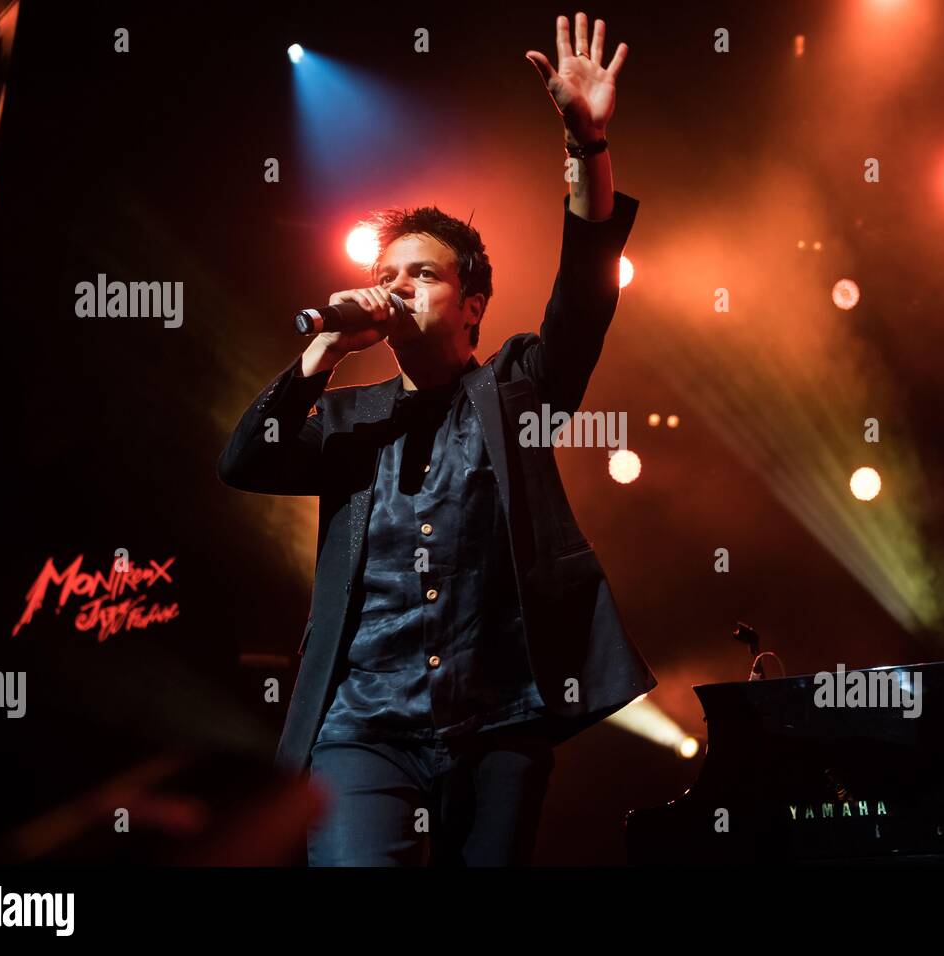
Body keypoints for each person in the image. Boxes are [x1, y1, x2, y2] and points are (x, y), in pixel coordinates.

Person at [217, 11, 655, 866]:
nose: (398, 289)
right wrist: (320, 352)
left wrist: (588, 148)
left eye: (422, 274)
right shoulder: (345, 417)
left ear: (474, 302)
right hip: (361, 730)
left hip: (499, 723)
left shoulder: (516, 389)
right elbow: (246, 461)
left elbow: (585, 295)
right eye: (386, 277)